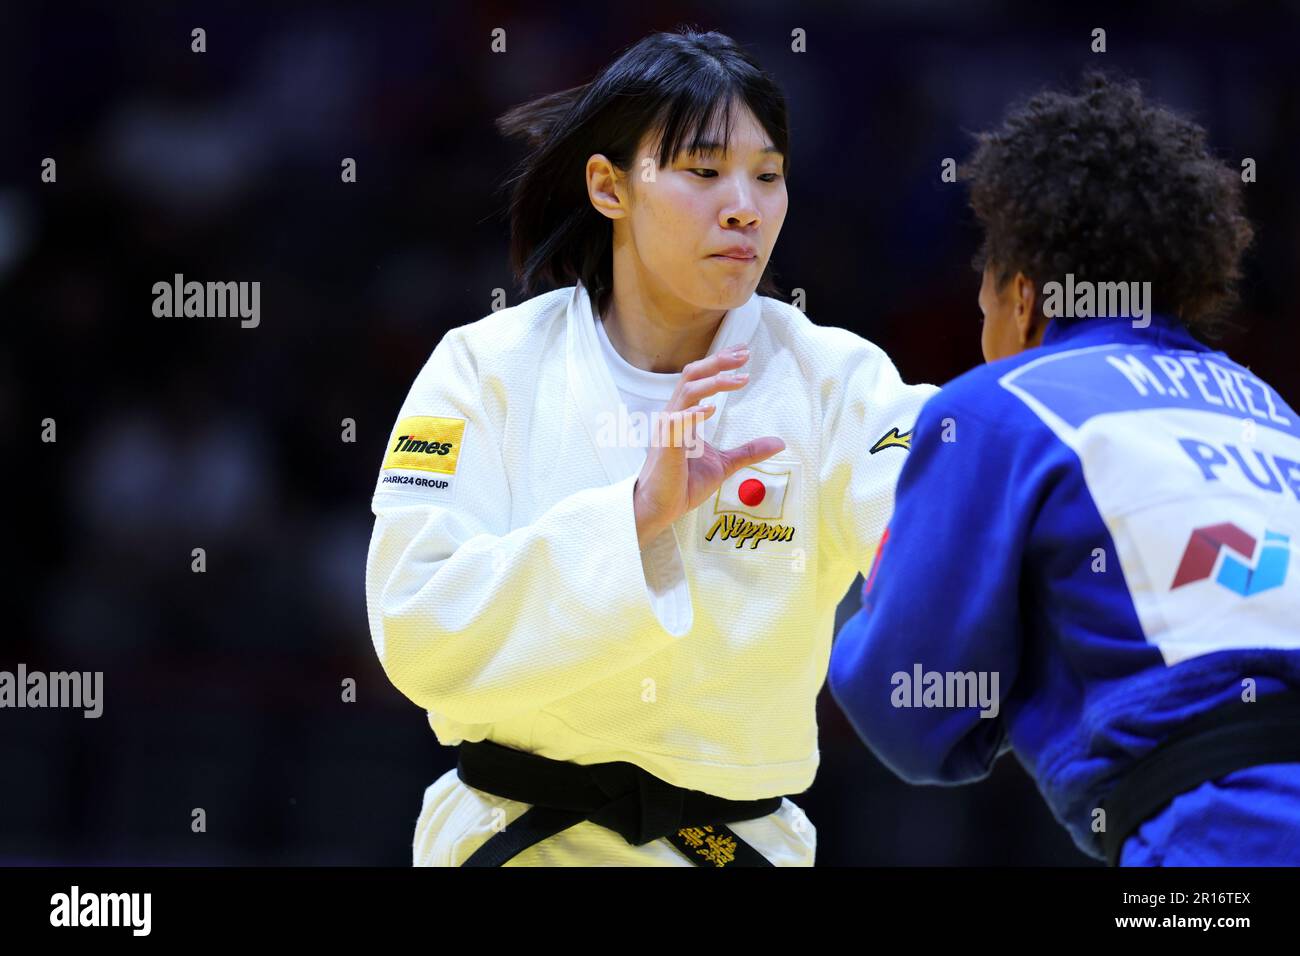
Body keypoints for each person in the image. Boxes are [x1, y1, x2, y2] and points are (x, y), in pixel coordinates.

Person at [364, 26, 935, 866]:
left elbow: (929, 533)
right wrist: (634, 517)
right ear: (609, 186)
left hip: (730, 847)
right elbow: (417, 632)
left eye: (768, 176)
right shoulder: (484, 368)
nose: (744, 204)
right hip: (510, 842)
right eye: (704, 171)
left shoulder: (837, 382)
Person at [828, 72, 1300, 866]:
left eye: (983, 307)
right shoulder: (1270, 410)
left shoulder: (996, 404)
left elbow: (909, 715)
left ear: (1023, 296)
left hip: (1229, 837)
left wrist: (866, 589)